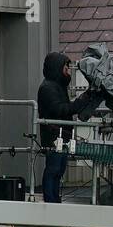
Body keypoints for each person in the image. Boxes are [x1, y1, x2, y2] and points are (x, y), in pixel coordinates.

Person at [36, 51, 102, 203]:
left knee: (59, 170)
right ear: (57, 67)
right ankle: (51, 199)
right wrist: (81, 101)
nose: (68, 70)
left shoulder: (56, 86)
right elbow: (60, 110)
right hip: (53, 137)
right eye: (66, 66)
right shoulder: (48, 88)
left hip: (60, 135)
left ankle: (54, 199)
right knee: (54, 169)